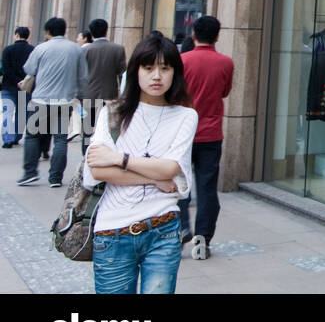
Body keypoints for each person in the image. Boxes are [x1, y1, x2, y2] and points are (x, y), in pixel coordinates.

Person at [83, 33, 197, 294]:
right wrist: (154, 178)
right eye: (148, 68)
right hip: (113, 233)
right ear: (135, 72)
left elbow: (170, 168)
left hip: (163, 230)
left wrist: (119, 159)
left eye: (165, 68)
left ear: (174, 73)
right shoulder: (112, 113)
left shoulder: (185, 116)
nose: (156, 76)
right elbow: (98, 169)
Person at [176, 15, 233, 259]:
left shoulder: (181, 61)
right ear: (218, 36)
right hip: (211, 134)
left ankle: (181, 228)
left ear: (193, 34)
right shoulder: (226, 63)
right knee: (207, 188)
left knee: (179, 186)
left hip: (182, 134)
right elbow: (224, 91)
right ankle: (203, 241)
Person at [18, 17, 87, 187]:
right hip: (65, 101)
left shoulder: (41, 48)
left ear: (47, 32)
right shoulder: (76, 49)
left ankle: (30, 172)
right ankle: (55, 178)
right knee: (60, 139)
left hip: (41, 99)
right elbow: (83, 76)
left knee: (33, 136)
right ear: (64, 31)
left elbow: (29, 69)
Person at [80, 18, 127, 149]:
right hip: (110, 96)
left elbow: (81, 74)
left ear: (91, 32)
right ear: (107, 31)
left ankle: (87, 156)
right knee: (108, 129)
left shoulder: (85, 50)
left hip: (88, 96)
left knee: (88, 130)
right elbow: (122, 73)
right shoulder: (118, 49)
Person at [1, 27, 33, 148]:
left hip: (8, 86)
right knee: (22, 113)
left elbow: (6, 69)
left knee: (7, 113)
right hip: (26, 87)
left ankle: (7, 139)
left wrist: (16, 81)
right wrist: (23, 81)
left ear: (17, 35)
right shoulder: (32, 50)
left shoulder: (8, 50)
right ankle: (16, 137)